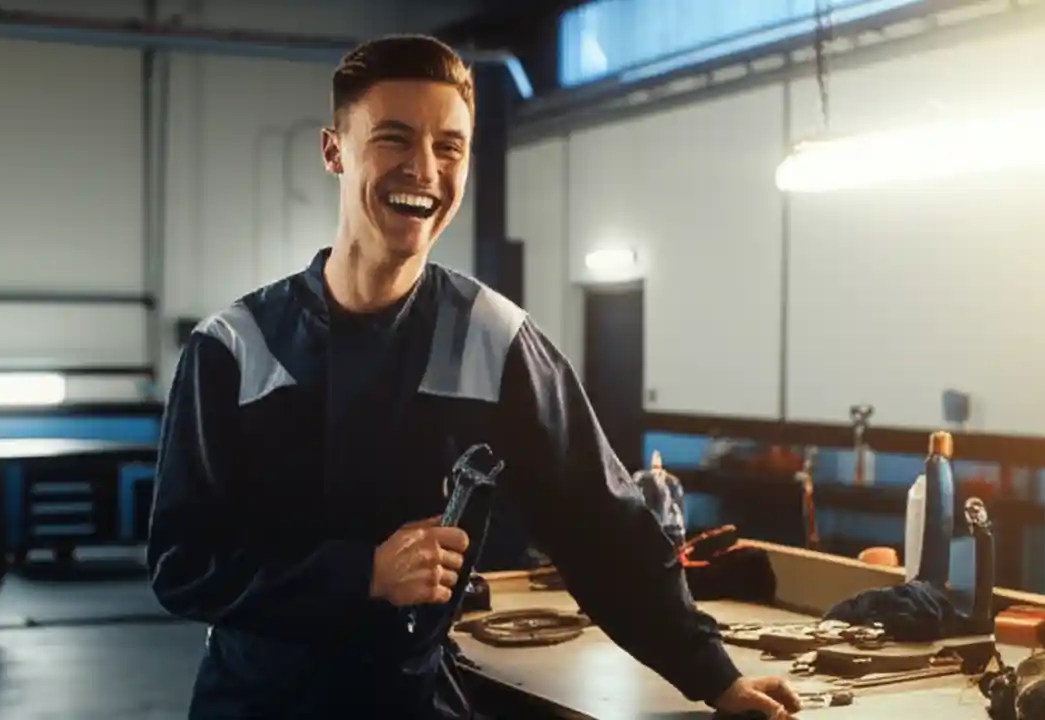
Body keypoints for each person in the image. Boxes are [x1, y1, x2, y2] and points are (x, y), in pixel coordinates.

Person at [147, 34, 802, 720]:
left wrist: (715, 676)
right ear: (334, 150)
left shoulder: (494, 340)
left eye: (449, 146)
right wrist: (363, 574)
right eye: (393, 139)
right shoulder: (237, 349)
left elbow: (602, 527)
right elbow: (183, 565)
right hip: (256, 705)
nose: (423, 169)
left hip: (411, 702)